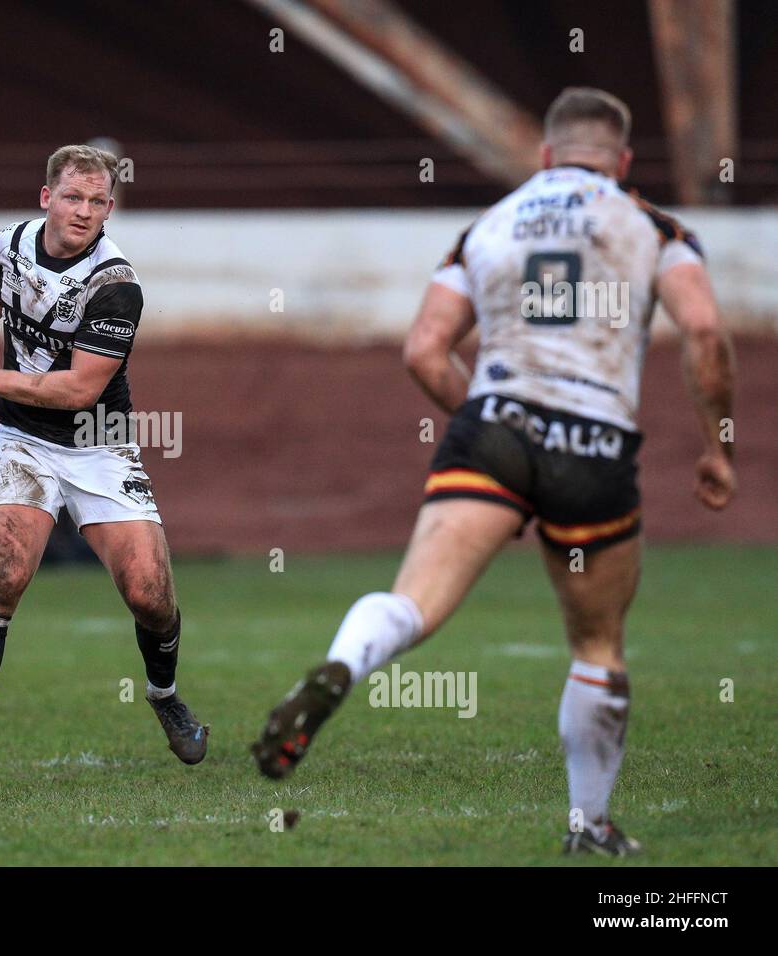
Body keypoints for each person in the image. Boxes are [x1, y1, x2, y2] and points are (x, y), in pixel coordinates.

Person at [250, 88, 736, 856]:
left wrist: (484, 427)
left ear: (544, 155)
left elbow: (423, 349)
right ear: (624, 160)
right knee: (597, 645)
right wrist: (719, 445)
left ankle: (342, 665)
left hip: (494, 428)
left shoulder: (491, 224)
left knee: (413, 604)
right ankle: (590, 826)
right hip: (595, 442)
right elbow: (704, 329)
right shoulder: (652, 226)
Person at [0, 144, 208, 785]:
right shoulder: (9, 242)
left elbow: (78, 390)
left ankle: (164, 697)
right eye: (74, 197)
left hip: (100, 442)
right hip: (23, 439)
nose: (85, 211)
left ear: (109, 208)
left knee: (150, 596)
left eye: (98, 201)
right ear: (46, 197)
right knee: (6, 572)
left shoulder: (116, 285)